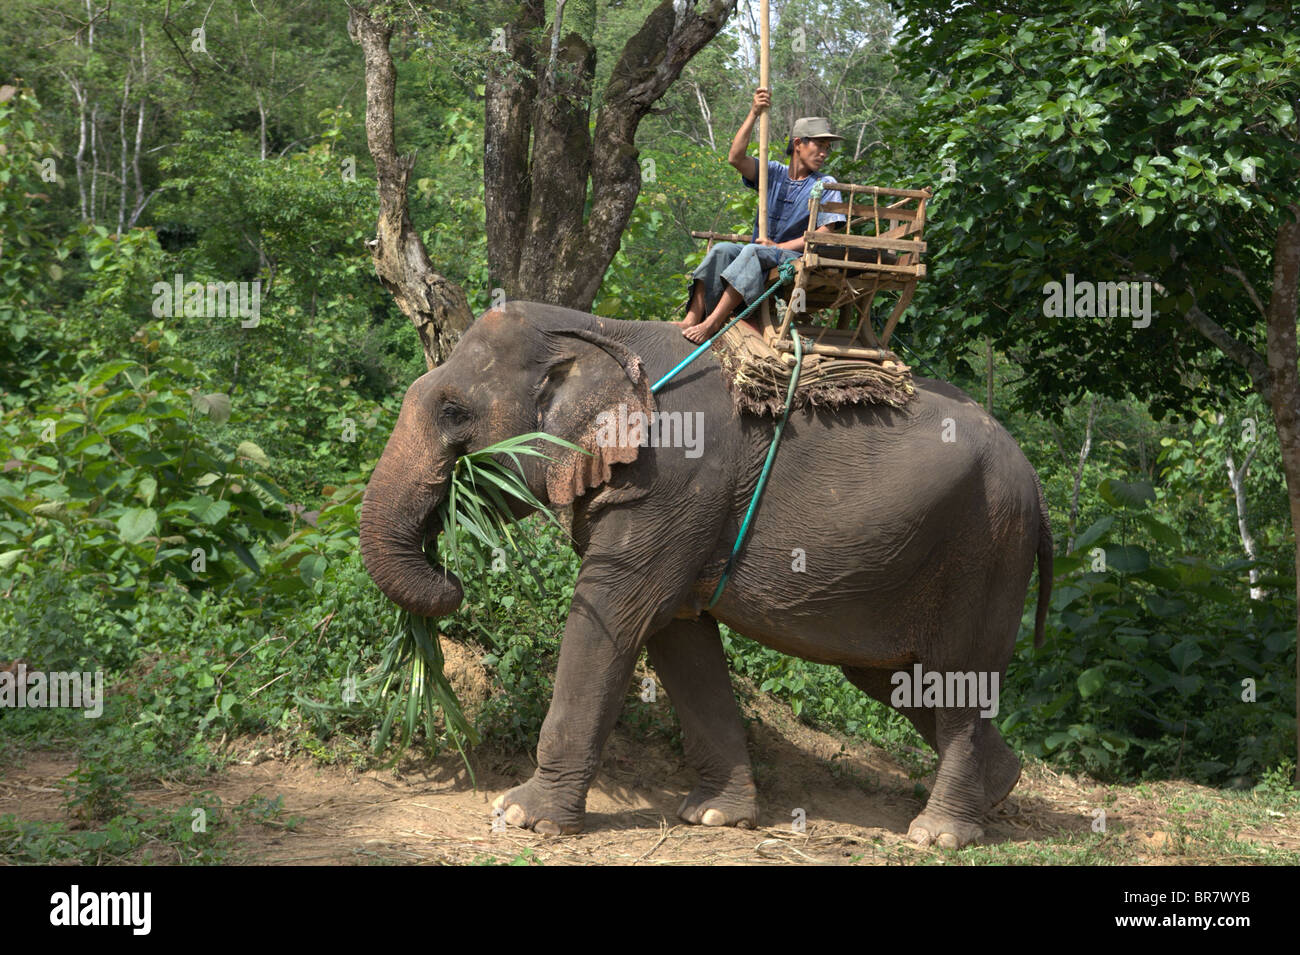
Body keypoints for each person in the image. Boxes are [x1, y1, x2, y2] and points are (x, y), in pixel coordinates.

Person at [676, 88, 847, 344]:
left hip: (793, 255)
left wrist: (778, 246)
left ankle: (712, 324)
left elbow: (824, 234)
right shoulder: (772, 173)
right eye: (819, 146)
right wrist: (755, 112)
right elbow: (735, 157)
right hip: (762, 251)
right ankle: (692, 316)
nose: (824, 153)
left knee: (752, 251)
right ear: (798, 143)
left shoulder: (825, 184)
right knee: (721, 250)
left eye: (827, 149)